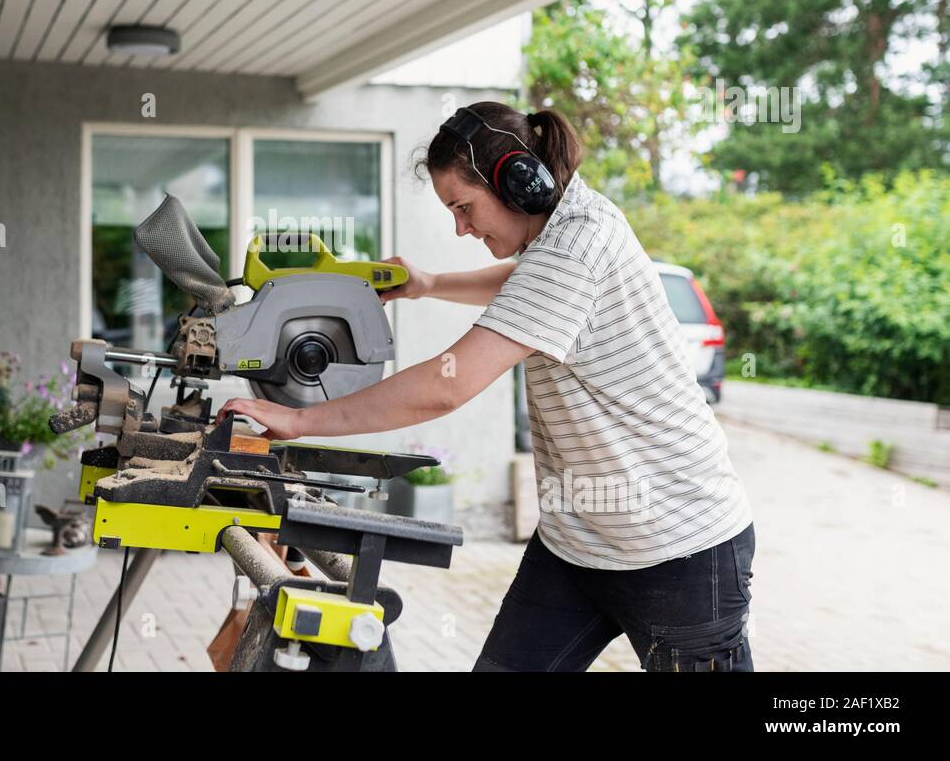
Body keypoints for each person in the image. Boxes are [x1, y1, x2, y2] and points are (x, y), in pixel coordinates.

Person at [216, 101, 756, 672]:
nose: (461, 227)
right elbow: (523, 278)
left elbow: (447, 385)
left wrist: (299, 420)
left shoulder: (577, 246)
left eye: (464, 207)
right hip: (578, 543)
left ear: (518, 181)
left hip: (677, 546)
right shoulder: (559, 234)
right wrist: (428, 284)